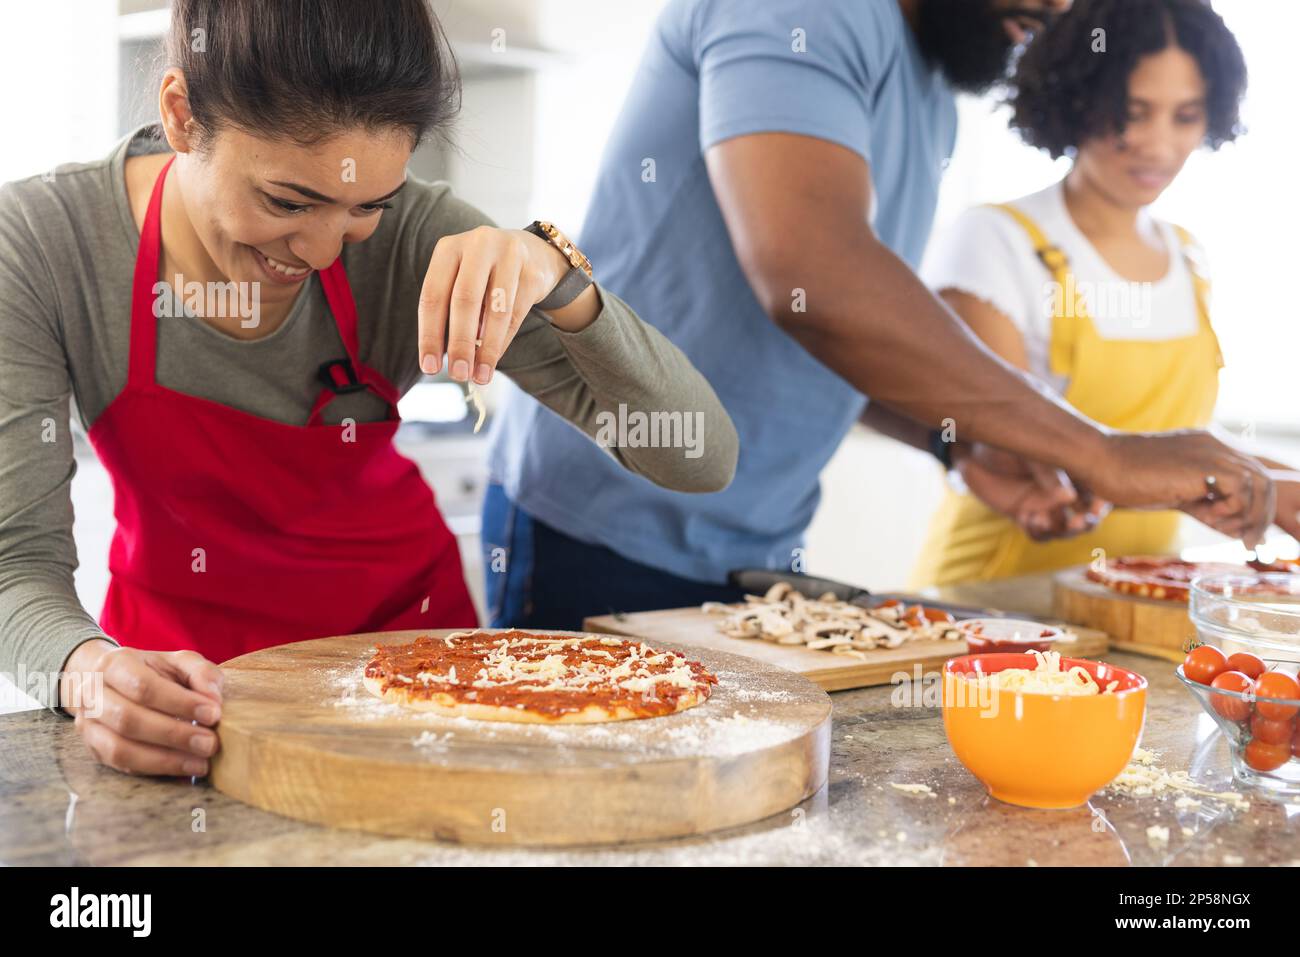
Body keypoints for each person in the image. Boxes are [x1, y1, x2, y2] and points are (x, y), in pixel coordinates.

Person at [0, 0, 737, 776]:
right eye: (287, 202)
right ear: (182, 115)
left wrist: (563, 280)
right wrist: (87, 672)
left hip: (418, 686)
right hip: (186, 701)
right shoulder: (45, 245)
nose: (321, 251)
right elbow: (15, 561)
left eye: (364, 208)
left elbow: (699, 458)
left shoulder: (423, 235)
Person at [484, 0, 1283, 630]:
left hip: (751, 545)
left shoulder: (933, 69)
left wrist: (958, 441)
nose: (1057, 6)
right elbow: (814, 283)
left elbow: (836, 334)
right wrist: (1100, 450)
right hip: (601, 530)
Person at [911, 0, 1299, 585]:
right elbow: (1003, 444)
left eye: (1186, 115)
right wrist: (1242, 484)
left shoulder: (1188, 255)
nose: (1157, 145)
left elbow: (1181, 434)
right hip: (998, 596)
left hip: (1136, 599)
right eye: (1131, 113)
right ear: (1074, 101)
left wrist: (1276, 481)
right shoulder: (994, 240)